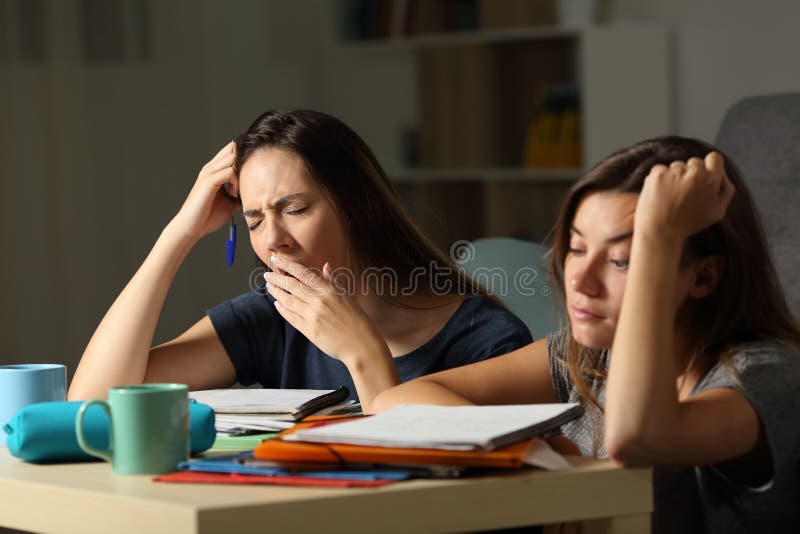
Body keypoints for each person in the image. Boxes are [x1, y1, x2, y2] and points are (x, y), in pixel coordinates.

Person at [372, 136, 800, 533]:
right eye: (577, 248)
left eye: (621, 259)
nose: (580, 280)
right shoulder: (587, 356)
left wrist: (659, 235)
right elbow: (399, 398)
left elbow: (637, 438)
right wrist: (536, 449)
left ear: (703, 276)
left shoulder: (762, 379)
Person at [67, 110, 532, 410]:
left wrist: (361, 352)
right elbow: (92, 399)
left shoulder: (486, 338)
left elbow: (431, 491)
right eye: (253, 221)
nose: (273, 241)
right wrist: (178, 235)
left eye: (295, 209)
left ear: (358, 205)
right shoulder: (272, 318)